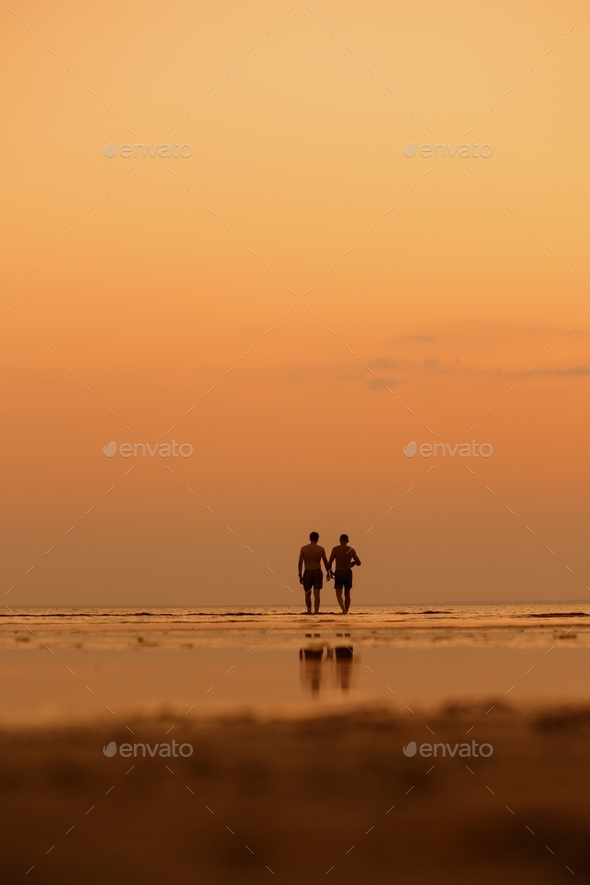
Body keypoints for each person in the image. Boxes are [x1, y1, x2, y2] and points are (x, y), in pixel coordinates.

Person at [298, 532, 330, 614]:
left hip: (307, 572)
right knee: (317, 594)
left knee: (307, 594)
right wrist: (328, 572)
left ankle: (309, 611)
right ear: (317, 539)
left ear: (310, 538)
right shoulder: (320, 549)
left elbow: (300, 563)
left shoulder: (304, 549)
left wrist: (300, 575)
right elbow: (325, 562)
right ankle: (316, 612)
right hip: (317, 572)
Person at [328, 534, 361, 614]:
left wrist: (330, 571)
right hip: (347, 572)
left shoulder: (335, 549)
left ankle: (343, 610)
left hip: (339, 571)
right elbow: (359, 562)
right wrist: (353, 563)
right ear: (347, 541)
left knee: (338, 594)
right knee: (347, 594)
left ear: (340, 540)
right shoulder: (351, 550)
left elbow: (329, 562)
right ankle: (346, 611)